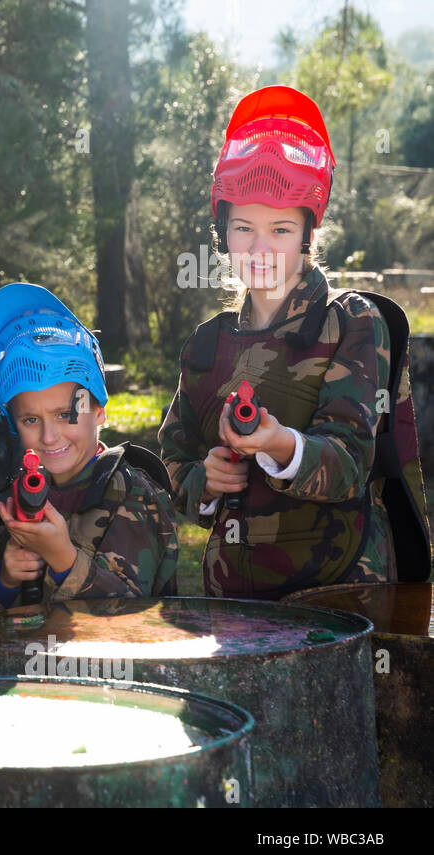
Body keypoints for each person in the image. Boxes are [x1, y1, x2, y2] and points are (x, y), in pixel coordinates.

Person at [159, 85, 430, 600]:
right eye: (244, 228)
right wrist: (206, 481)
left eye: (280, 229)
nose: (260, 248)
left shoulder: (351, 324)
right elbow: (173, 461)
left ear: (307, 234)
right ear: (223, 233)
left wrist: (278, 443)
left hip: (341, 597)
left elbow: (352, 464)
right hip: (234, 602)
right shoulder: (205, 346)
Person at [0, 283, 178, 612]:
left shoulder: (134, 495)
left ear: (99, 411)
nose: (50, 436)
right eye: (30, 420)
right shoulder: (23, 495)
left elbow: (132, 618)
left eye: (66, 415)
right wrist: (6, 580)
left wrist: (62, 558)